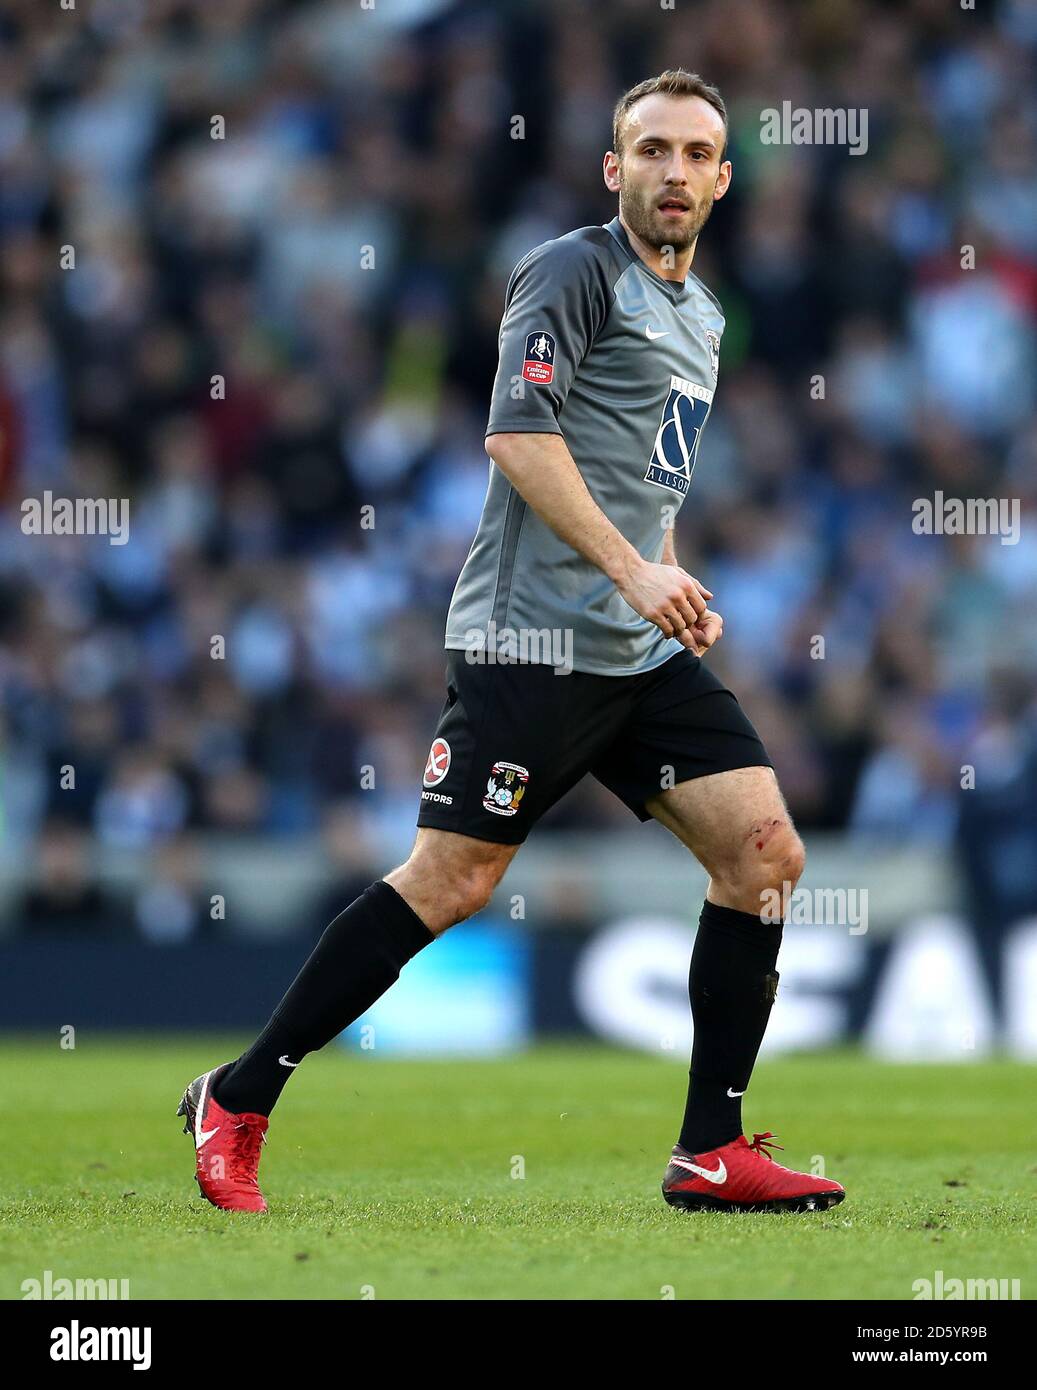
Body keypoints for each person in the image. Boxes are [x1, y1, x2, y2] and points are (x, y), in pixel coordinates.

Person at [179, 68, 844, 1215]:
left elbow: (642, 476)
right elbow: (518, 436)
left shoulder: (703, 316)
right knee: (451, 880)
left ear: (724, 178)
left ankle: (709, 1148)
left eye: (695, 154)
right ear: (612, 168)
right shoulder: (570, 269)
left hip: (635, 649)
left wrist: (666, 573)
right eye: (651, 151)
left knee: (764, 854)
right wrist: (636, 571)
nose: (672, 172)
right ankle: (237, 1097)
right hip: (529, 639)